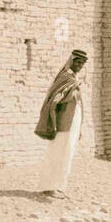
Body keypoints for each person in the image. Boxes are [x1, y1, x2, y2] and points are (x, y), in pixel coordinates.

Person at [33, 49, 87, 197]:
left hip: (72, 124)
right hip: (63, 124)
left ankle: (58, 186)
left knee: (67, 154)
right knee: (57, 153)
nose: (80, 65)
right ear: (71, 61)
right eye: (78, 62)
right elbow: (55, 99)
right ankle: (48, 186)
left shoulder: (73, 79)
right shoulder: (65, 77)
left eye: (82, 63)